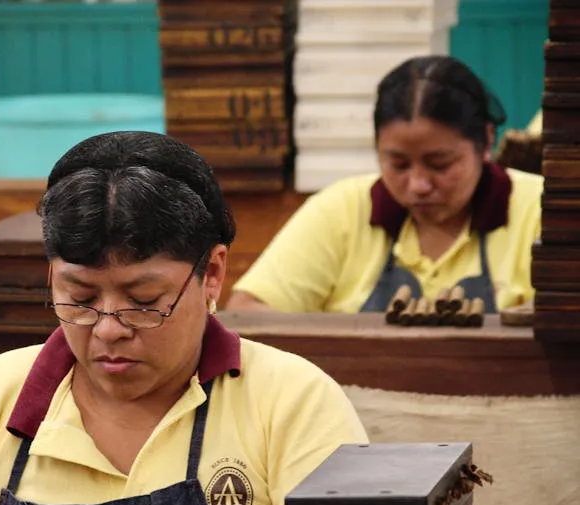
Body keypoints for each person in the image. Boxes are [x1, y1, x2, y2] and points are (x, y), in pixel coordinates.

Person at [0, 131, 368, 505]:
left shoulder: (288, 396)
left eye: (144, 299)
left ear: (213, 273)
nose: (110, 327)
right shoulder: (0, 393)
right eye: (80, 296)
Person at [228, 55, 543, 314]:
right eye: (399, 164)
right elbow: (248, 312)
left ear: (486, 141)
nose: (418, 185)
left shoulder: (539, 209)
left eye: (440, 164)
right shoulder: (344, 210)